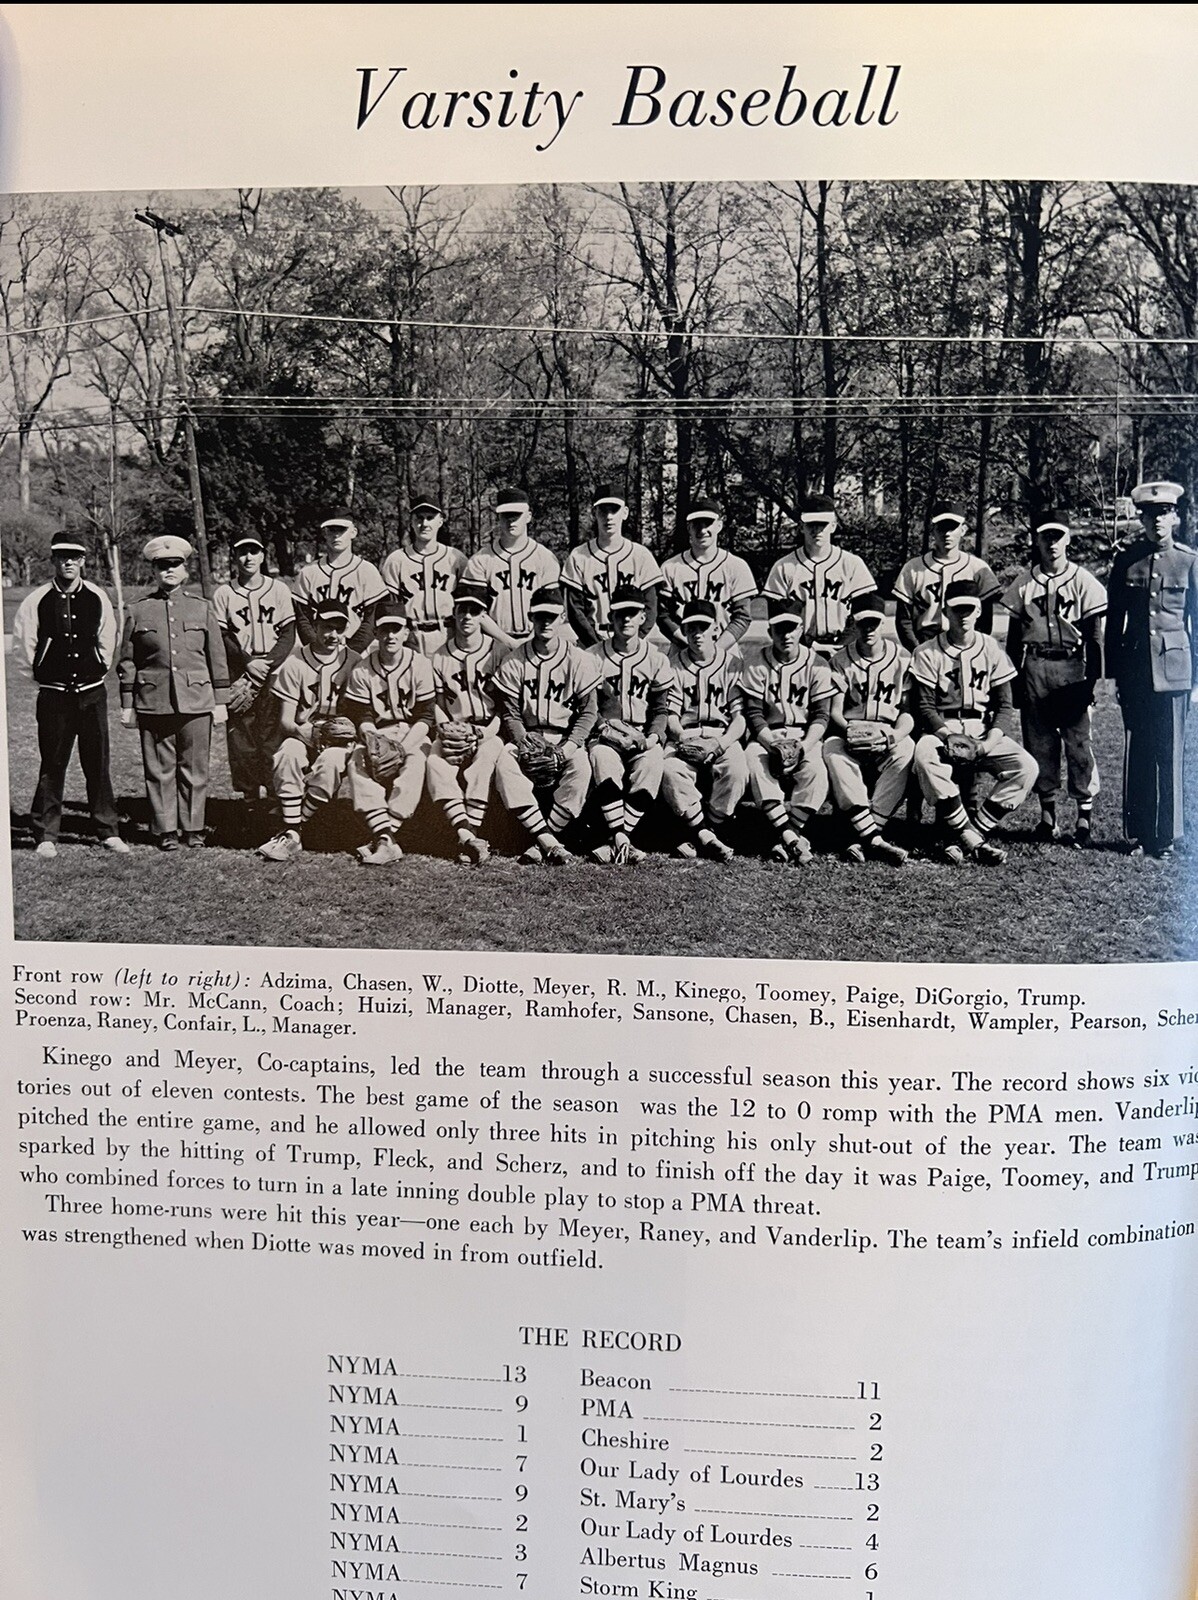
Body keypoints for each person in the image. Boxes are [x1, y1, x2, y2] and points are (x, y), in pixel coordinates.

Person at [12, 532, 128, 858]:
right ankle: (46, 833)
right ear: (53, 560)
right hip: (54, 697)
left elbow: (108, 640)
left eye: (75, 557)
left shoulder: (96, 597)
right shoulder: (36, 600)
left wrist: (95, 673)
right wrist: (46, 679)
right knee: (53, 763)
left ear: (83, 561)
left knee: (98, 762)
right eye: (62, 556)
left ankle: (107, 830)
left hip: (92, 694)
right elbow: (24, 648)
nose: (68, 562)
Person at [910, 578, 1037, 864]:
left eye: (970, 609)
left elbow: (1005, 706)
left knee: (1026, 767)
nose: (964, 615)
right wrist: (944, 735)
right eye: (957, 609)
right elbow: (925, 707)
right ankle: (971, 838)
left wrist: (988, 743)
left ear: (979, 611)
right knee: (924, 756)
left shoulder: (991, 647)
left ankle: (971, 833)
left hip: (981, 729)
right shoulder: (928, 651)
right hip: (945, 727)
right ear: (945, 611)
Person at [1001, 509, 1106, 846]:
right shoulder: (1024, 583)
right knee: (1039, 742)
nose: (1052, 543)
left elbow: (1095, 638)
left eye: (1058, 536)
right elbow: (1014, 638)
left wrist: (1090, 682)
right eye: (1046, 536)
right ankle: (1048, 818)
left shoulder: (1083, 581)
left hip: (1072, 666)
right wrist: (1014, 678)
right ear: (1037, 540)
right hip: (1035, 665)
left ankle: (1083, 818)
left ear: (1068, 539)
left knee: (1079, 743)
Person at [1105, 479, 1198, 858]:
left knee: (1170, 752)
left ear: (1174, 517)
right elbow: (1113, 623)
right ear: (1140, 518)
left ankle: (1169, 836)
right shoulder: (1126, 560)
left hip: (1175, 670)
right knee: (1139, 751)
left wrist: (1197, 679)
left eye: (1163, 514)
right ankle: (1142, 835)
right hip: (1136, 671)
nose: (1156, 521)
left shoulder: (1189, 561)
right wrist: (1112, 676)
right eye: (1149, 514)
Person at [117, 537, 229, 851]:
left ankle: (193, 828)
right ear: (153, 570)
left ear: (185, 569)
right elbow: (127, 660)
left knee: (195, 767)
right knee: (159, 768)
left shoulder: (202, 608)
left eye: (174, 565)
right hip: (154, 698)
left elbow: (216, 658)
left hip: (196, 699)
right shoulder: (138, 609)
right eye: (162, 565)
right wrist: (128, 703)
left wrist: (220, 701)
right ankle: (165, 829)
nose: (168, 570)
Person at [491, 584, 601, 863]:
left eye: (552, 616)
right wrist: (522, 743)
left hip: (564, 738)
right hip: (528, 737)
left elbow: (589, 712)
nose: (546, 622)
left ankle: (543, 839)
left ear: (562, 617)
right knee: (504, 761)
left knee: (582, 766)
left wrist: (567, 748)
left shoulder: (578, 659)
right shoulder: (514, 660)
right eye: (540, 616)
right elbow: (510, 713)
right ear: (531, 617)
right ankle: (550, 841)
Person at [257, 597, 358, 862]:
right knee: (287, 754)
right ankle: (292, 833)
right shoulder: (295, 662)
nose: (332, 634)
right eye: (326, 627)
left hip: (340, 738)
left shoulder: (355, 662)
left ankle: (293, 827)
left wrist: (343, 736)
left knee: (332, 762)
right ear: (314, 625)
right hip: (304, 730)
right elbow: (286, 722)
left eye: (339, 627)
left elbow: (358, 716)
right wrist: (308, 735)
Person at [741, 596, 835, 864]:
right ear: (770, 631)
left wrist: (804, 746)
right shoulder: (757, 661)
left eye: (792, 628)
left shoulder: (817, 663)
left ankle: (788, 833)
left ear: (801, 628)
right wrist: (771, 744)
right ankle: (791, 837)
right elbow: (754, 713)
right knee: (753, 761)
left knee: (816, 771)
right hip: (768, 735)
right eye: (779, 629)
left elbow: (821, 714)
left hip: (805, 735)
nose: (786, 634)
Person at [341, 600, 436, 864]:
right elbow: (362, 714)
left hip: (412, 733)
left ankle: (384, 836)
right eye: (385, 629)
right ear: (375, 633)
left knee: (417, 763)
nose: (391, 635)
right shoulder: (362, 668)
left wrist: (403, 748)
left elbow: (426, 716)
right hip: (377, 733)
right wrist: (373, 742)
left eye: (396, 629)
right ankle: (386, 838)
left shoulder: (420, 664)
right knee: (358, 761)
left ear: (407, 632)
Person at [586, 584, 676, 863]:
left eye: (632, 613)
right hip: (604, 734)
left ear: (643, 617)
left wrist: (653, 738)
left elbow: (661, 710)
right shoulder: (591, 656)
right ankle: (625, 839)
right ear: (610, 618)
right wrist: (606, 731)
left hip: (640, 732)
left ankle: (617, 837)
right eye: (620, 613)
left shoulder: (657, 658)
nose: (625, 619)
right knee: (603, 757)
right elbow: (586, 708)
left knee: (652, 760)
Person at [211, 534, 296, 825]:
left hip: (274, 671)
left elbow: (288, 633)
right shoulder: (224, 593)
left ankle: (274, 796)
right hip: (241, 671)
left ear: (263, 556)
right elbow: (222, 636)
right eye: (243, 552)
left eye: (254, 551)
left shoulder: (279, 589)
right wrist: (248, 663)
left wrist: (268, 663)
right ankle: (249, 797)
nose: (248, 557)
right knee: (242, 740)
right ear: (235, 556)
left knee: (273, 736)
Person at [823, 591, 913, 865]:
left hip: (886, 733)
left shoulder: (903, 659)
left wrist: (894, 736)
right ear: (854, 623)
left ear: (883, 622)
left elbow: (908, 714)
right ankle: (874, 838)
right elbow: (834, 712)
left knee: (907, 749)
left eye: (874, 622)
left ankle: (865, 834)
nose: (868, 629)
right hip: (850, 731)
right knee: (831, 750)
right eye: (863, 623)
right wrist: (849, 731)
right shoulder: (840, 659)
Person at [424, 582, 510, 867]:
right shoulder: (439, 655)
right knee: (434, 762)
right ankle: (467, 836)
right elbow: (436, 703)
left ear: (484, 615)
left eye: (475, 611)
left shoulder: (497, 653)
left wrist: (485, 733)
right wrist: (445, 731)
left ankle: (469, 832)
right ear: (454, 613)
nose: (468, 617)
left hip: (489, 729)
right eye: (463, 610)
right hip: (453, 729)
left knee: (484, 760)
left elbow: (505, 708)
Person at [661, 598, 748, 861]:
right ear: (684, 631)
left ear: (716, 629)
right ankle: (704, 833)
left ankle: (708, 828)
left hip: (721, 735)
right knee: (668, 770)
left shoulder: (733, 664)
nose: (697, 634)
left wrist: (719, 745)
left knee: (738, 770)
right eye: (691, 628)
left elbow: (740, 719)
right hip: (685, 737)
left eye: (703, 627)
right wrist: (685, 739)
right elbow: (671, 718)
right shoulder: (674, 665)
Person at [763, 491, 876, 659]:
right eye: (811, 524)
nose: (817, 530)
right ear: (801, 526)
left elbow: (863, 613)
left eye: (823, 524)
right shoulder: (783, 567)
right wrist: (811, 646)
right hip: (800, 652)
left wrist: (841, 646)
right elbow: (777, 618)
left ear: (833, 525)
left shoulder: (852, 564)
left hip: (846, 650)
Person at [560, 481, 665, 646]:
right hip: (591, 643)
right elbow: (575, 611)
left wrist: (633, 640)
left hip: (632, 643)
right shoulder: (579, 556)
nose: (608, 517)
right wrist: (595, 645)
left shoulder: (641, 556)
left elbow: (651, 607)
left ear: (624, 513)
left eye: (614, 510)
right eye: (603, 510)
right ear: (595, 513)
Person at [460, 486, 561, 651]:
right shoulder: (480, 560)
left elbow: (554, 607)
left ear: (528, 517)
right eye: (506, 515)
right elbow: (476, 611)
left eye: (517, 515)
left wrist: (531, 640)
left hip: (537, 639)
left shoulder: (545, 558)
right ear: (498, 517)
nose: (511, 521)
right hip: (492, 643)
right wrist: (508, 642)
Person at [893, 500, 1002, 650]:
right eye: (942, 528)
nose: (947, 534)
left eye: (953, 527)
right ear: (933, 530)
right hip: (926, 642)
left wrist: (972, 649)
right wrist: (917, 650)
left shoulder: (978, 568)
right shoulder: (913, 568)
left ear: (963, 530)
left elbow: (985, 620)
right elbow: (903, 621)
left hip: (965, 643)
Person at [658, 497, 757, 650]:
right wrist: (689, 646)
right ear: (688, 527)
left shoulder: (736, 566)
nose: (702, 530)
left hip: (725, 651)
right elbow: (663, 616)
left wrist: (716, 650)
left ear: (719, 525)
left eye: (708, 523)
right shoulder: (670, 567)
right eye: (696, 524)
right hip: (681, 650)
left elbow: (742, 616)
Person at [379, 490, 466, 657]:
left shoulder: (456, 558)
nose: (424, 523)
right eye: (419, 518)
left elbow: (467, 604)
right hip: (411, 637)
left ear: (440, 521)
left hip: (448, 634)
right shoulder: (397, 560)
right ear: (411, 522)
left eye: (430, 518)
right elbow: (390, 607)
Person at [291, 514, 387, 654]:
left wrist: (351, 652)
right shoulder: (308, 572)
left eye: (341, 530)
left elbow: (372, 619)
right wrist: (316, 649)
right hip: (316, 654)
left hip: (357, 653)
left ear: (353, 532)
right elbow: (302, 618)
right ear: (325, 533)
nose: (336, 535)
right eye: (331, 530)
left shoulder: (367, 571)